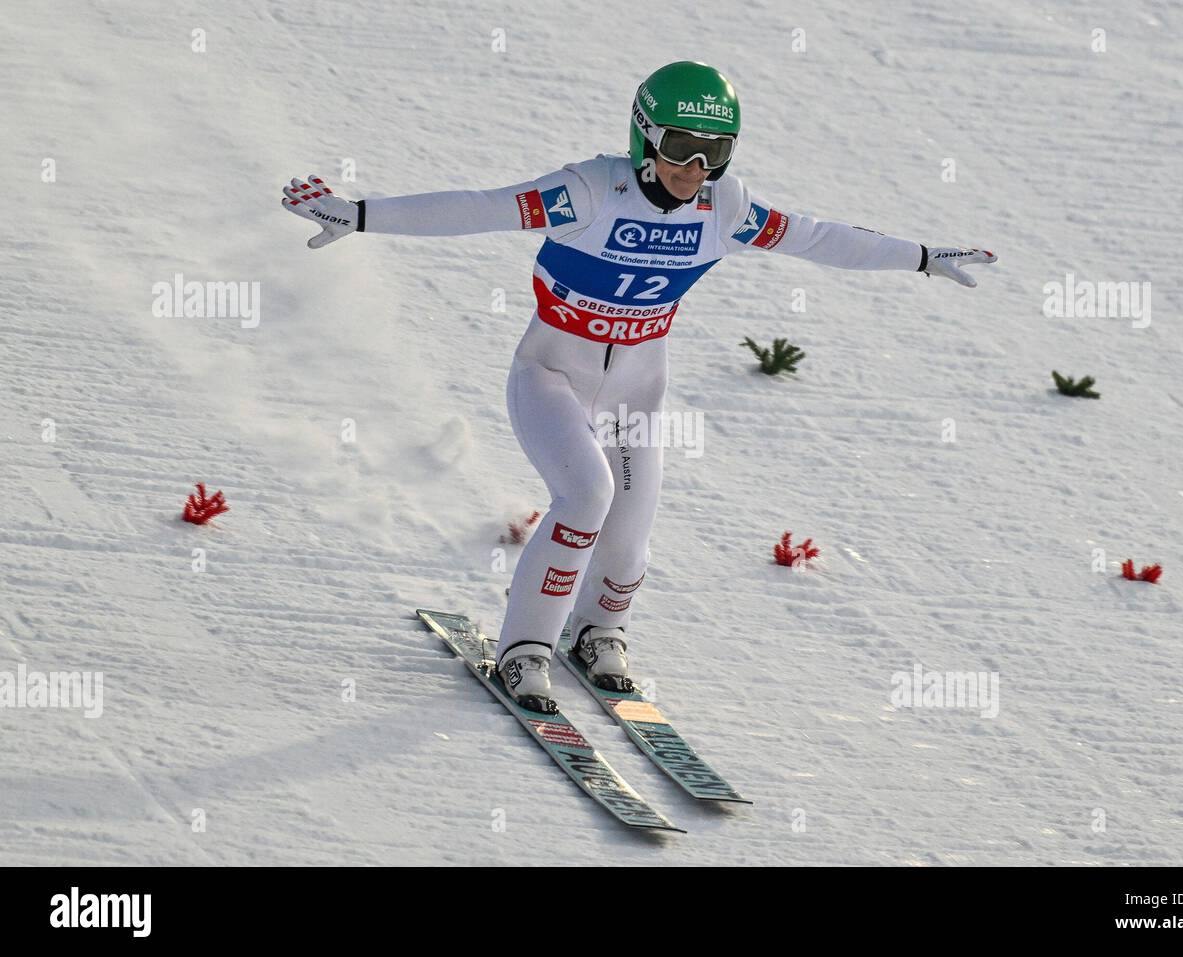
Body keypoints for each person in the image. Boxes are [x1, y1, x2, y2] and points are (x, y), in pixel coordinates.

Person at [282, 60, 997, 714]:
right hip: (551, 376)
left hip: (636, 389)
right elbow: (480, 207)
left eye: (715, 152)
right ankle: (525, 647)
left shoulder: (724, 208)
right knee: (585, 496)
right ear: (643, 135)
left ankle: (599, 631)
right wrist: (361, 213)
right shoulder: (588, 192)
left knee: (628, 537)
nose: (695, 167)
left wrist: (923, 257)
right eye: (683, 145)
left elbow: (820, 237)